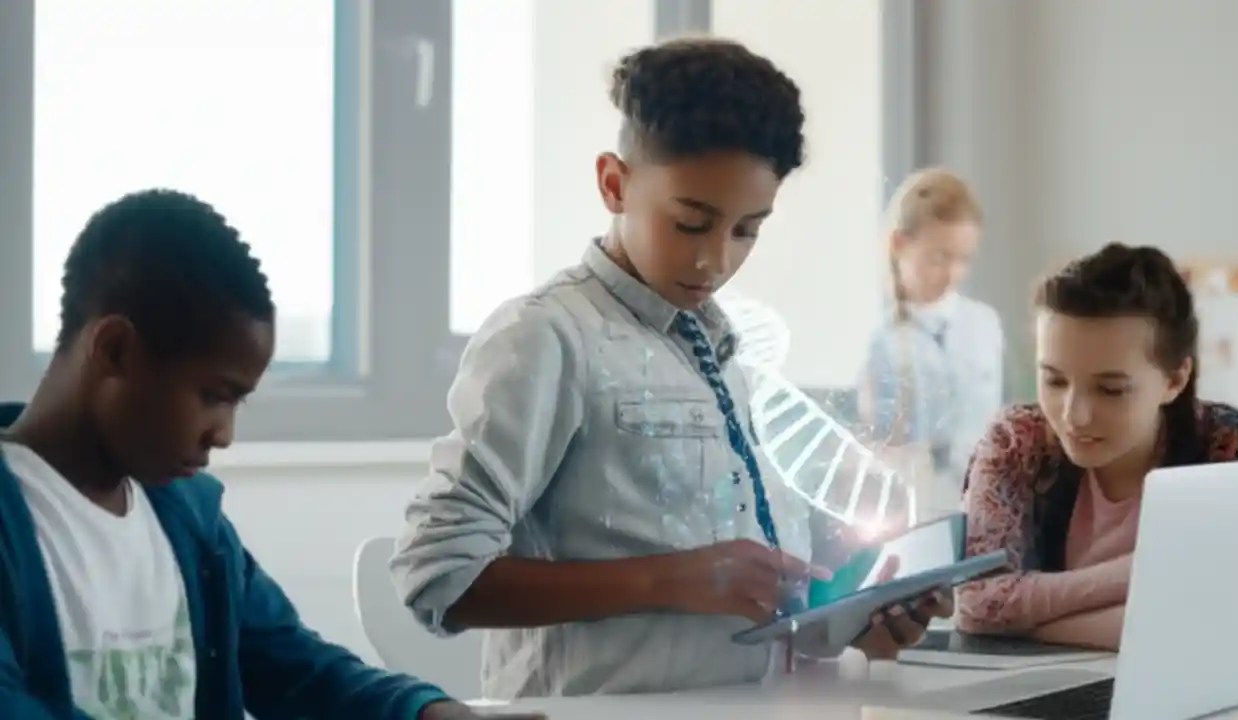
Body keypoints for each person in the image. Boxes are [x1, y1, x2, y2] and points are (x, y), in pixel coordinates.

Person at [389, 37, 951, 700]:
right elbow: (437, 577)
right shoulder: (545, 338)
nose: (716, 261)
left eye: (748, 230)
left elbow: (731, 602)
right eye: (690, 223)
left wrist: (855, 626)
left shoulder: (718, 349)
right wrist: (675, 581)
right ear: (614, 183)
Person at [0, 190, 535, 719]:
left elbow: (292, 665)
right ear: (115, 349)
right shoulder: (16, 518)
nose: (224, 434)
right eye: (213, 396)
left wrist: (424, 714)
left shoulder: (190, 519)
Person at [957, 243, 1238, 650]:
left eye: (1111, 390)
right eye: (1054, 381)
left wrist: (1033, 624)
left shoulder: (1237, 450)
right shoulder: (1015, 440)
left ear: (1175, 380)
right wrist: (1148, 572)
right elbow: (979, 603)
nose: (1074, 415)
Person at [859, 168, 1004, 521]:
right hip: (913, 509)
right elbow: (877, 437)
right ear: (899, 245)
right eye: (939, 257)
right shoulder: (882, 340)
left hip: (983, 503)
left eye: (964, 259)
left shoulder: (985, 325)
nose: (952, 273)